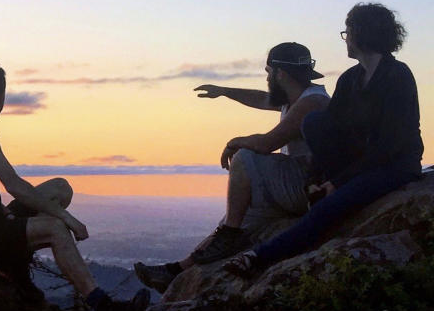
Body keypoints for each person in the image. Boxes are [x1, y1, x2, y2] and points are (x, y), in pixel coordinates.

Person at [0, 62, 150, 311]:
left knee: (60, 188)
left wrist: (8, 212)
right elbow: (15, 185)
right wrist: (66, 217)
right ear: (1, 99)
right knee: (56, 230)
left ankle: (12, 261)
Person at [226, 3, 424, 276]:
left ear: (361, 33)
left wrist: (338, 183)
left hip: (394, 165)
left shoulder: (397, 75)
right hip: (358, 162)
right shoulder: (350, 79)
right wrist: (314, 179)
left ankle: (259, 256)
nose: (345, 38)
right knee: (315, 122)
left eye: (348, 32)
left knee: (330, 207)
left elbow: (390, 145)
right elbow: (332, 129)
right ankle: (328, 191)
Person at [134, 43, 330, 292]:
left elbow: (268, 143)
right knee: (233, 219)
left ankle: (228, 237)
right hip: (291, 186)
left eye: (269, 72)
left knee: (245, 157)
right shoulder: (295, 97)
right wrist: (225, 91)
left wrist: (234, 143)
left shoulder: (312, 102)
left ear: (279, 74)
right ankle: (177, 271)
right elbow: (261, 98)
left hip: (305, 186)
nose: (267, 78)